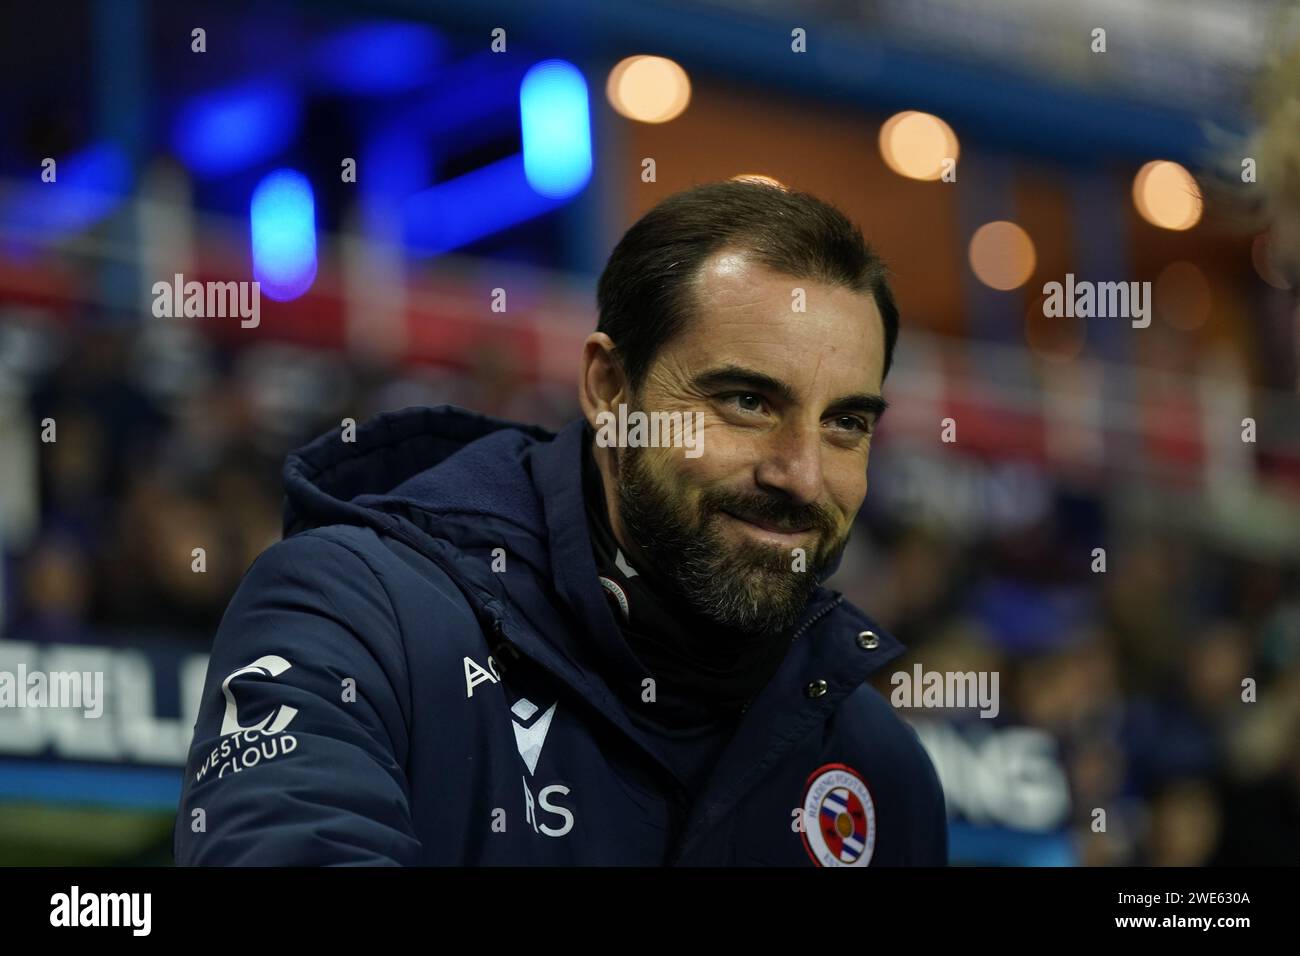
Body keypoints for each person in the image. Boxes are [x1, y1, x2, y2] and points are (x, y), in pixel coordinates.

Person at [174, 180, 948, 866]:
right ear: (610, 390)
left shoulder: (880, 764)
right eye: (746, 402)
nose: (801, 475)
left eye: (846, 422)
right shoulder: (350, 611)